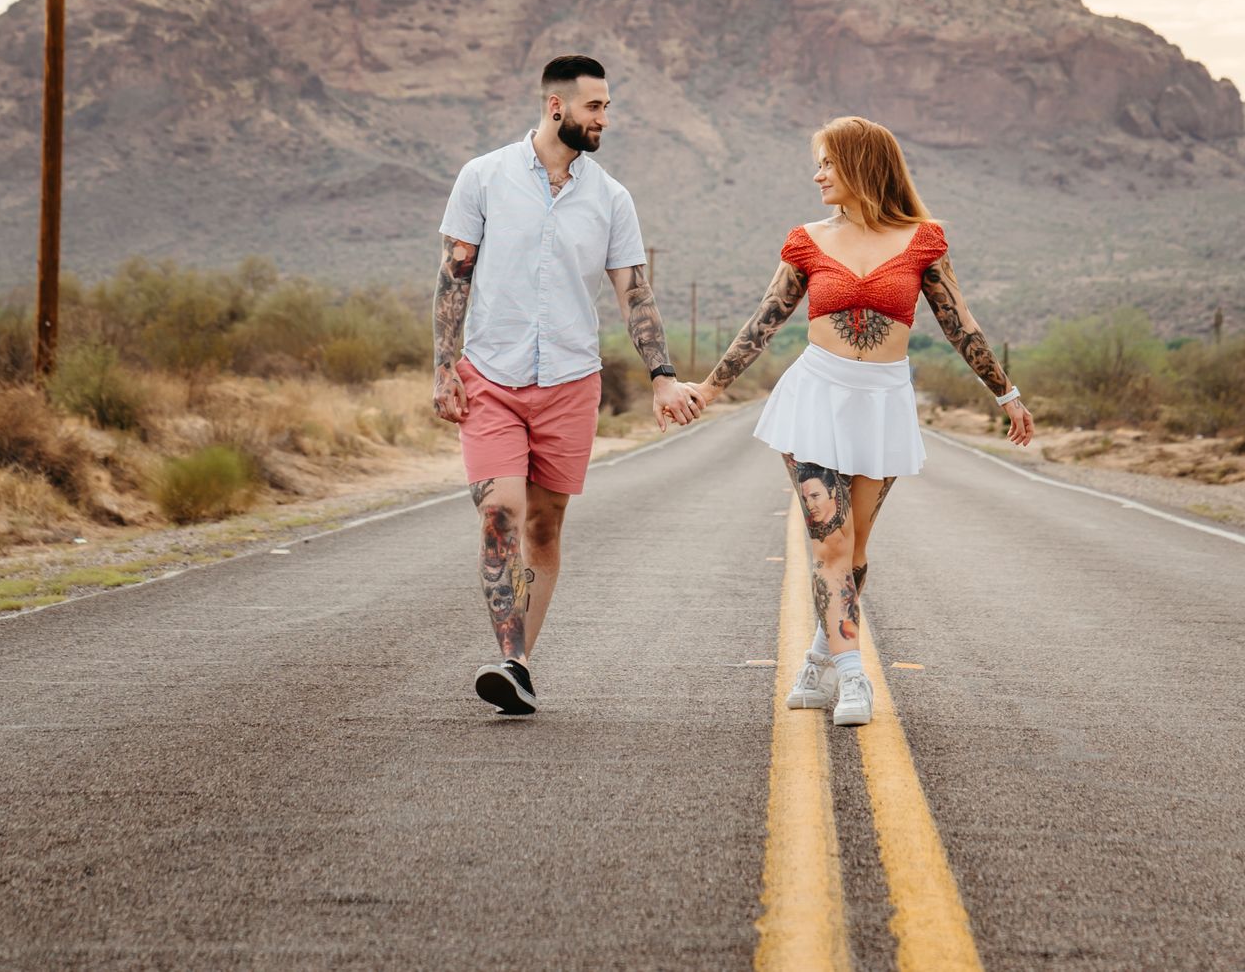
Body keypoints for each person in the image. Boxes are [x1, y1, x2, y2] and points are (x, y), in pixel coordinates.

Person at [693, 116, 1033, 726]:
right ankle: (855, 678)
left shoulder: (922, 240)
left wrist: (1006, 394)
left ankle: (820, 657)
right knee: (830, 545)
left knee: (855, 552)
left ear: (860, 165)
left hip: (883, 402)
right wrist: (710, 388)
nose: (817, 173)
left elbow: (960, 324)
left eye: (827, 161)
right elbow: (763, 322)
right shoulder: (807, 241)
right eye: (818, 162)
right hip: (816, 397)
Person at [433, 55, 702, 715]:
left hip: (570, 383)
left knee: (545, 529)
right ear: (557, 107)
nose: (605, 118)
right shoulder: (484, 177)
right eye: (596, 107)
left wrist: (663, 375)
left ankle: (516, 663)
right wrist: (443, 365)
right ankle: (509, 655)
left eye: (606, 106)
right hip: (489, 377)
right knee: (500, 514)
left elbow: (634, 292)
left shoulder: (611, 198)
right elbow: (453, 276)